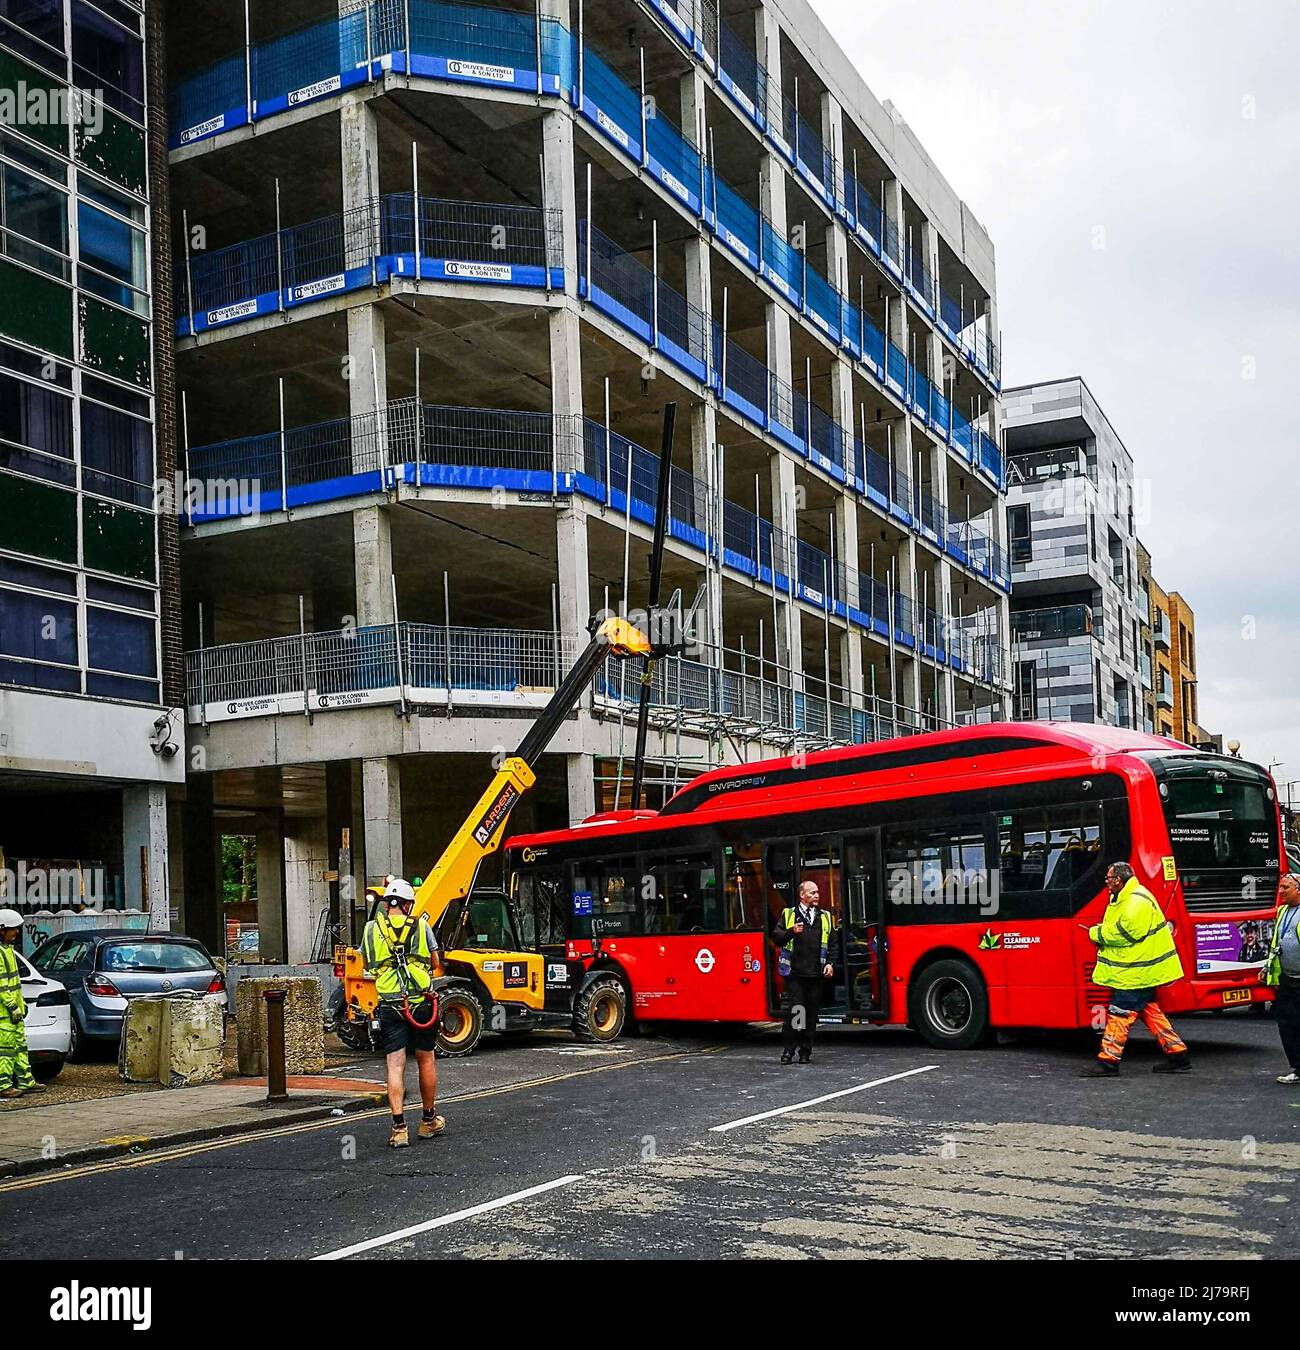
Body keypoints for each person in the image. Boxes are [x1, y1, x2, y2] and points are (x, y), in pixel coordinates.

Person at [1080, 861, 1189, 1077]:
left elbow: (1125, 934)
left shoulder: (1135, 900)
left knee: (1119, 1014)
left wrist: (1096, 933)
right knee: (1151, 1012)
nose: (1106, 884)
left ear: (1118, 880)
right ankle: (1178, 1054)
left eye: (1108, 879)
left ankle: (1108, 1061)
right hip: (1140, 970)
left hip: (1135, 972)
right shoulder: (1127, 897)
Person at [361, 878, 445, 1147]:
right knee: (426, 1060)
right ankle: (428, 1120)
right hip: (420, 1002)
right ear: (409, 904)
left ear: (386, 905)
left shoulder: (371, 929)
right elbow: (435, 963)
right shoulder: (421, 925)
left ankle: (399, 1129)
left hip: (390, 1004)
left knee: (395, 1065)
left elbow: (368, 964)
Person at [772, 880, 834, 1065]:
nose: (816, 896)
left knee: (811, 1016)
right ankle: (788, 1051)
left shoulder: (825, 917)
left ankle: (805, 1052)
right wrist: (792, 931)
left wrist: (830, 963)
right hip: (796, 975)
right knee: (796, 1013)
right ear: (802, 895)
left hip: (815, 975)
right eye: (812, 893)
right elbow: (776, 938)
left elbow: (833, 944)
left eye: (817, 893)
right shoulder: (789, 914)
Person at [1261, 872, 1300, 1084]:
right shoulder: (1283, 911)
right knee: (1287, 1024)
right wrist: (1268, 968)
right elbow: (1276, 943)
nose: (1281, 891)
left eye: (1286, 887)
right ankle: (1297, 1068)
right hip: (1287, 979)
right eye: (1281, 887)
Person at [0, 909, 41, 1099]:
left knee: (20, 1046)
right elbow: (2, 985)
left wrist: (20, 1005)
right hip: (4, 1013)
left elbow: (13, 984)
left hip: (12, 1012)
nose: (16, 932)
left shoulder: (8, 951)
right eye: (12, 929)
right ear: (2, 930)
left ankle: (26, 1081)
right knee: (6, 1050)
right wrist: (12, 1006)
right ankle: (3, 1085)